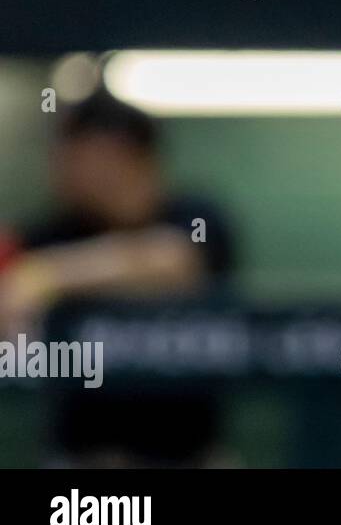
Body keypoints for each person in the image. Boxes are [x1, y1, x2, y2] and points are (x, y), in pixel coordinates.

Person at [0, 89, 234, 467]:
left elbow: (172, 261)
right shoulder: (51, 233)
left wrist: (47, 276)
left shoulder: (195, 215)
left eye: (77, 153)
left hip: (188, 457)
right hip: (83, 465)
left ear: (122, 153)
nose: (61, 167)